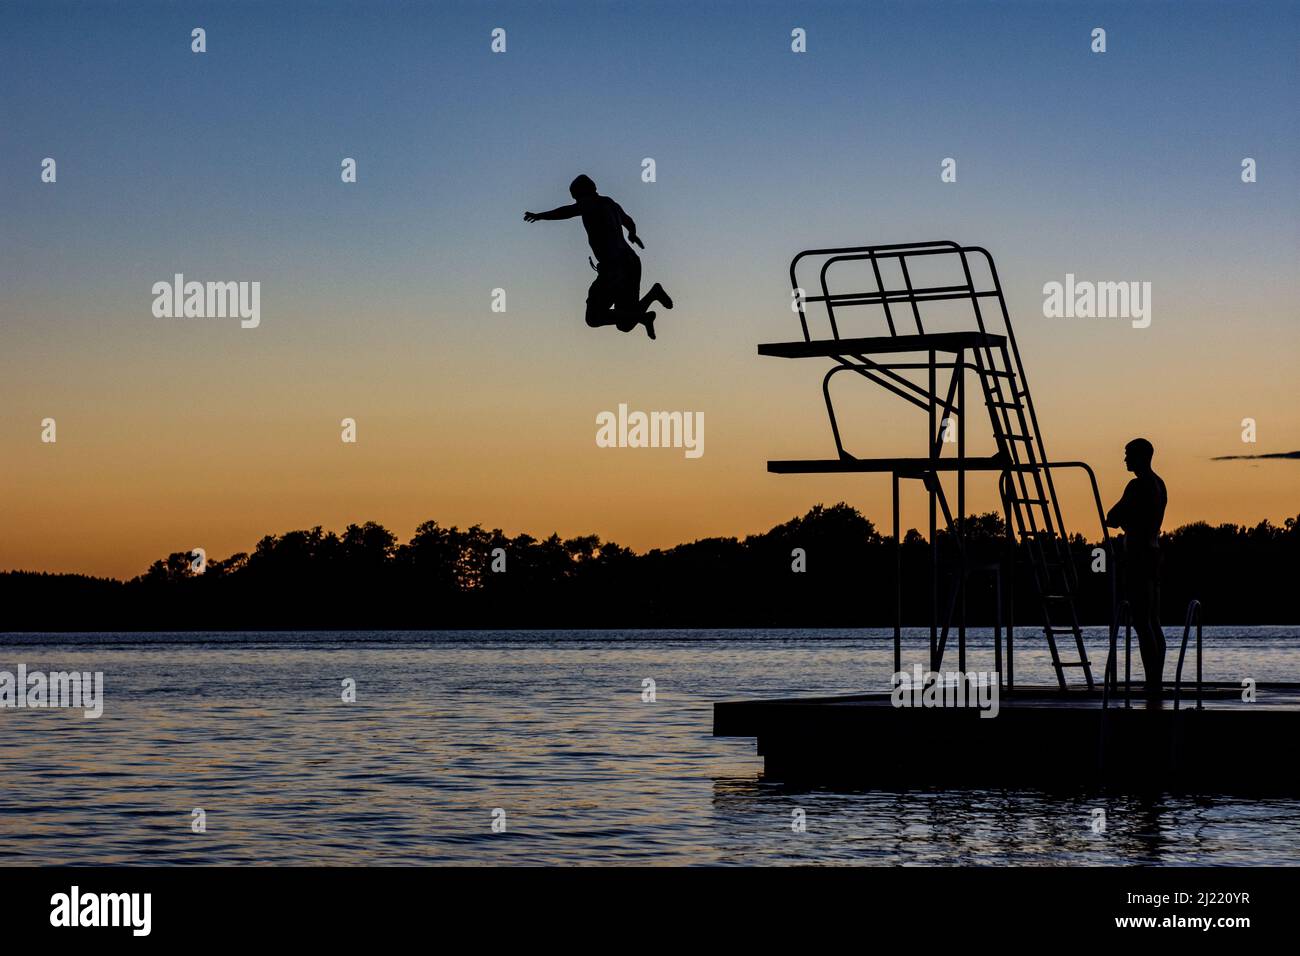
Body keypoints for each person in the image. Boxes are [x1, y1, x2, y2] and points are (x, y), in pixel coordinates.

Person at [524, 175, 672, 340]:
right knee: (625, 323)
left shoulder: (589, 202)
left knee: (593, 317)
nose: (577, 202)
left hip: (614, 267)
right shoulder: (610, 203)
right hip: (631, 262)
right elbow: (629, 221)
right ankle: (652, 298)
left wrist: (540, 216)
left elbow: (567, 211)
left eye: (577, 198)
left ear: (582, 193)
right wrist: (632, 233)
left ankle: (645, 314)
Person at [1104, 438, 1168, 696]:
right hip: (1153, 554)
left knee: (1142, 622)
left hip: (1139, 557)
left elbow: (1112, 517)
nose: (1125, 460)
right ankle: (1156, 678)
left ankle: (1152, 681)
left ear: (1141, 456)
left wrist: (1123, 520)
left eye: (1128, 454)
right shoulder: (1159, 485)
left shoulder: (1137, 485)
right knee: (1153, 620)